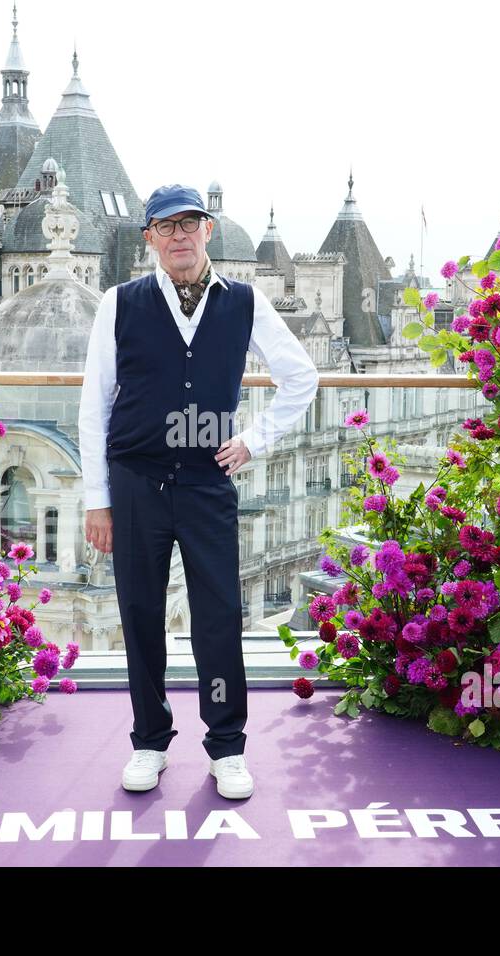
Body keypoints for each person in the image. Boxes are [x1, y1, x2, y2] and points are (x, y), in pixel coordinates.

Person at [78, 184, 319, 798]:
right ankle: (150, 741)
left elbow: (301, 377)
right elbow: (93, 406)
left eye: (190, 224)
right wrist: (96, 499)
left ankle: (227, 746)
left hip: (208, 482)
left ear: (208, 231)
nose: (179, 236)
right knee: (139, 613)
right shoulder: (120, 303)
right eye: (167, 226)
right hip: (136, 483)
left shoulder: (243, 301)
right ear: (150, 238)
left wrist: (253, 441)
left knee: (218, 616)